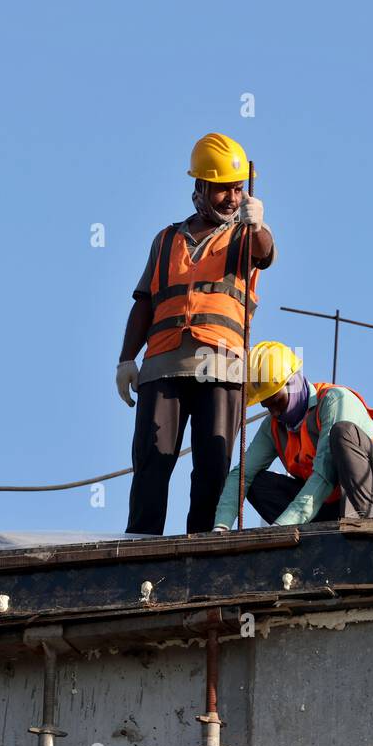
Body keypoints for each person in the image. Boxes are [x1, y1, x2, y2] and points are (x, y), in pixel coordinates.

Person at [116, 133, 277, 534]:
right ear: (200, 187)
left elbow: (266, 253)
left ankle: (202, 547)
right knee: (152, 461)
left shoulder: (243, 235)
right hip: (162, 363)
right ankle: (140, 545)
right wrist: (126, 359)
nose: (233, 198)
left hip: (219, 363)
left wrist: (259, 225)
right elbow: (144, 303)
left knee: (212, 464)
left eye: (238, 189)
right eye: (224, 189)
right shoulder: (167, 239)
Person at [212, 342, 373, 529]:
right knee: (257, 483)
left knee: (343, 433)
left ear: (293, 382)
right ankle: (311, 538)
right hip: (334, 508)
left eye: (277, 401)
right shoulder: (274, 425)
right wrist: (220, 528)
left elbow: (325, 471)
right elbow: (242, 475)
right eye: (267, 406)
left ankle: (362, 526)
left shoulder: (335, 400)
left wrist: (281, 526)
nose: (274, 412)